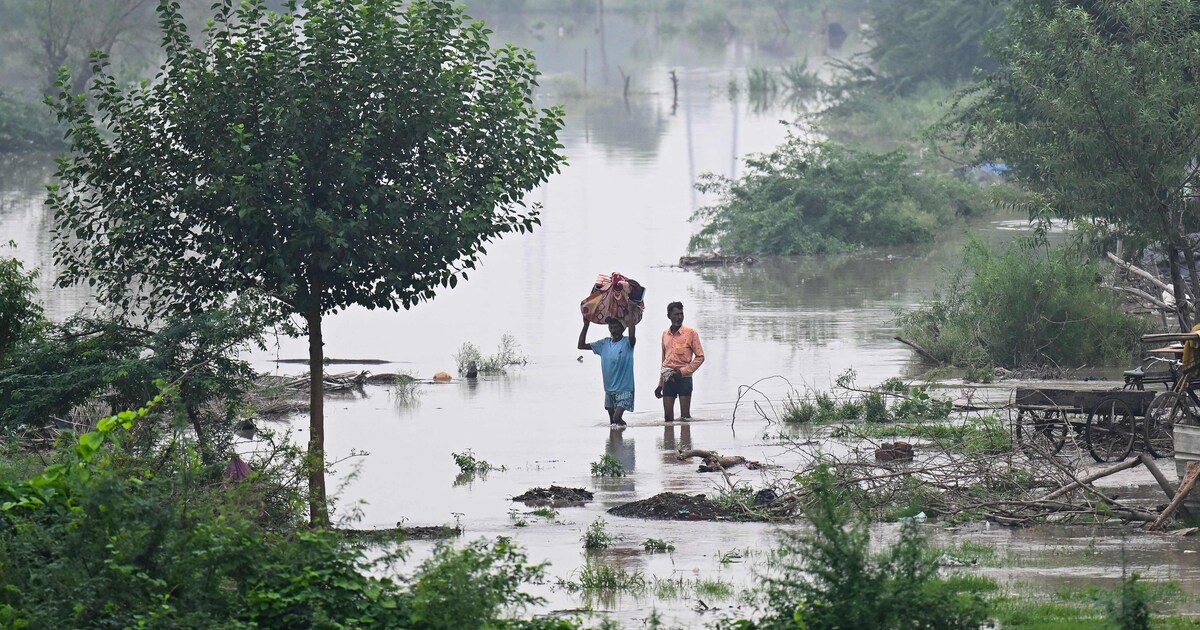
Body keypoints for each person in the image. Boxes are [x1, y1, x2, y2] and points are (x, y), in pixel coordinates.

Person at [578, 316, 636, 426]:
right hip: (609, 390)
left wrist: (631, 314)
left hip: (625, 389)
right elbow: (581, 345)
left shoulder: (627, 343)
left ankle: (627, 433)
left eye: (616, 327)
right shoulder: (604, 344)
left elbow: (632, 335)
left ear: (622, 328)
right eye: (611, 327)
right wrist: (586, 325)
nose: (613, 330)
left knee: (616, 418)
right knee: (613, 423)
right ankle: (617, 436)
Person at [656, 301, 704, 422]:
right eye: (676, 314)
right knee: (668, 419)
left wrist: (683, 372)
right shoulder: (665, 334)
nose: (679, 317)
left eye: (681, 314)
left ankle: (686, 435)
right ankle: (669, 436)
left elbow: (700, 356)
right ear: (669, 316)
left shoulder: (691, 333)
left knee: (685, 417)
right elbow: (664, 360)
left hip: (684, 379)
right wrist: (660, 384)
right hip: (668, 377)